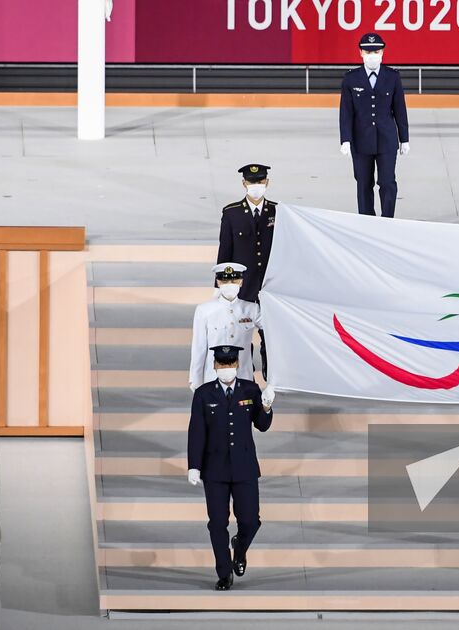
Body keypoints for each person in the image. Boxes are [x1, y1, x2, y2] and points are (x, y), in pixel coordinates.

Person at [187, 345, 276, 591]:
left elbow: (262, 425)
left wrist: (267, 407)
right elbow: (196, 431)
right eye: (223, 365)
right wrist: (194, 466)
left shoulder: (250, 389)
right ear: (216, 366)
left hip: (244, 466)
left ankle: (240, 548)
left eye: (231, 364)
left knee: (251, 520)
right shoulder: (204, 394)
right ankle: (224, 573)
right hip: (214, 468)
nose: (227, 369)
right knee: (217, 523)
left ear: (237, 364)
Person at [339, 32, 410, 218]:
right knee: (363, 183)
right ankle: (367, 221)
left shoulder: (393, 77)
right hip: (361, 141)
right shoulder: (351, 79)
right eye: (368, 51)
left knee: (387, 182)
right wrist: (345, 139)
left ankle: (387, 220)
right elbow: (346, 112)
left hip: (387, 140)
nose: (372, 55)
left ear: (382, 52)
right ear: (361, 53)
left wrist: (404, 139)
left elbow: (400, 110)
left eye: (376, 51)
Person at [216, 164, 275, 375]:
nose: (256, 186)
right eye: (252, 182)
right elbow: (225, 251)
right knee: (240, 336)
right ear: (244, 184)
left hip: (269, 287)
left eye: (260, 181)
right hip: (243, 289)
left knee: (271, 337)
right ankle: (245, 376)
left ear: (267, 183)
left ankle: (271, 375)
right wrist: (220, 285)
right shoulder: (232, 214)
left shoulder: (277, 211)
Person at [190, 263, 262, 389]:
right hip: (213, 377)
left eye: (234, 280)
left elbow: (272, 330)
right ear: (218, 282)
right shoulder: (204, 310)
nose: (230, 284)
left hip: (243, 377)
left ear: (241, 282)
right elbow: (199, 347)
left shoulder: (252, 309)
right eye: (225, 281)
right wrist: (195, 380)